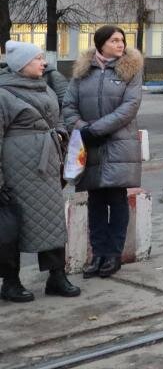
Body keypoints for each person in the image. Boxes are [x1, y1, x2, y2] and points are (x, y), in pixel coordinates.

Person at [0, 41, 79, 302]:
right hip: (16, 170)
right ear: (22, 65)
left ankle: (57, 276)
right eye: (37, 59)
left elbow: (56, 119)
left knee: (52, 220)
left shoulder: (45, 86)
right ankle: (11, 283)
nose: (43, 63)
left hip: (46, 168)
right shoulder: (3, 93)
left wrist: (60, 136)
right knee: (11, 227)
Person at [63, 25, 143, 280]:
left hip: (118, 143)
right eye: (114, 40)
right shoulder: (82, 72)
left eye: (122, 40)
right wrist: (81, 128)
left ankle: (113, 255)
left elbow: (130, 107)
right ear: (100, 43)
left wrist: (95, 129)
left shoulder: (131, 70)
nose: (120, 45)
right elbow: (68, 106)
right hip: (89, 144)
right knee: (95, 201)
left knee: (117, 199)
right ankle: (97, 254)